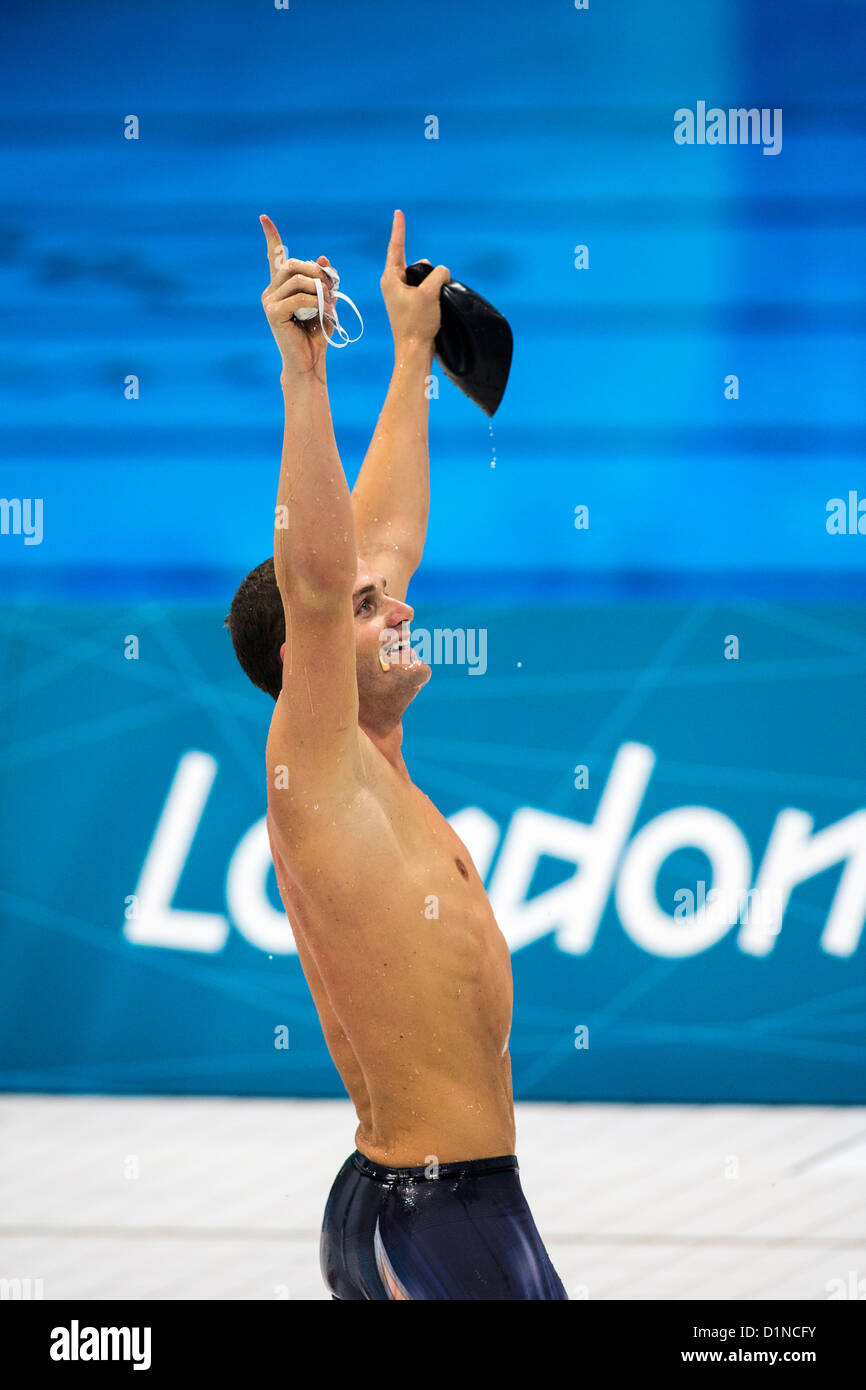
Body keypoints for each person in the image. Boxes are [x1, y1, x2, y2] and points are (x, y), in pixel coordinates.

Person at [226, 210, 567, 1300]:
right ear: (309, 655)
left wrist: (414, 354)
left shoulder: (367, 760)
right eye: (371, 610)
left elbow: (374, 547)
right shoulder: (315, 761)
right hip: (435, 1210)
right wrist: (304, 373)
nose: (400, 600)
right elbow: (325, 582)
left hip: (443, 1198)